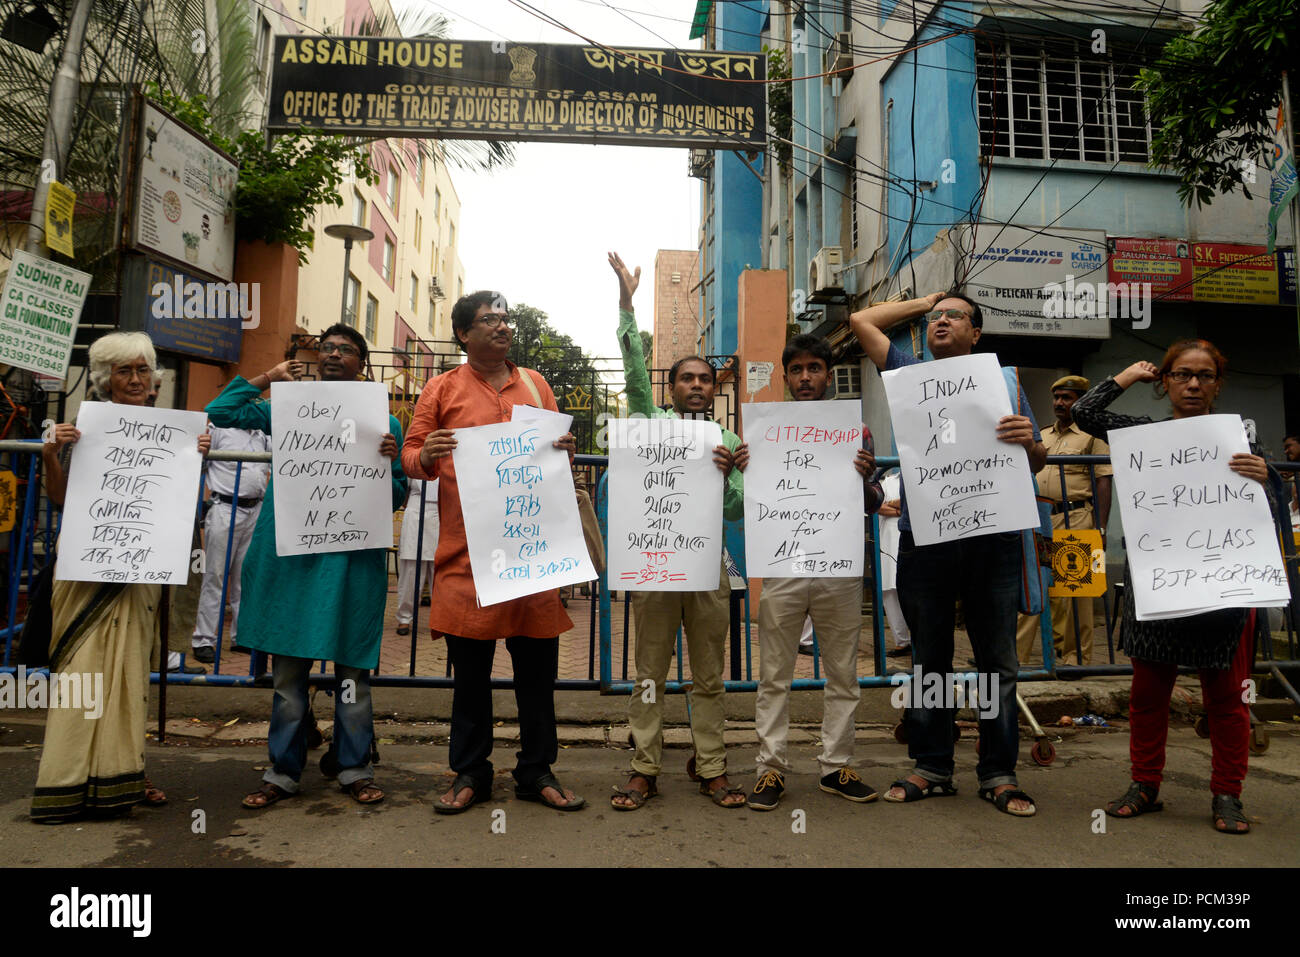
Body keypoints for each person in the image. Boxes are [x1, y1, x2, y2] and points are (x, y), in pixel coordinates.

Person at [849, 291, 1046, 817]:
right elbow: (861, 320)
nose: (940, 321)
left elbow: (1035, 463)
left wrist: (1030, 441)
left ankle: (998, 771)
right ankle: (933, 765)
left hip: (995, 538)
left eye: (954, 316)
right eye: (935, 318)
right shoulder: (909, 372)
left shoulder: (1005, 382)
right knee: (928, 658)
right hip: (927, 536)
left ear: (977, 333)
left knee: (995, 662)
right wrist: (929, 299)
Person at [1072, 340, 1280, 835]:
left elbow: (1267, 516)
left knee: (1227, 699)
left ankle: (1228, 794)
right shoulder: (1143, 436)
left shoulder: (1240, 442)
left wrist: (1267, 478)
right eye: (1181, 374)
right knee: (1147, 694)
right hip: (1160, 583)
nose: (1193, 384)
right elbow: (1083, 411)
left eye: (1204, 376)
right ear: (1164, 382)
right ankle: (1145, 784)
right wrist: (1127, 375)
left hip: (1222, 590)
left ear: (1217, 384)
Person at [401, 291, 586, 814]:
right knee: (471, 678)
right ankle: (470, 773)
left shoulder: (535, 384)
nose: (502, 327)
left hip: (531, 554)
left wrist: (564, 448)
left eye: (504, 319)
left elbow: (556, 447)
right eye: (489, 320)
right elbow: (411, 457)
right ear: (464, 334)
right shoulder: (440, 389)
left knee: (536, 676)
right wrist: (427, 455)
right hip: (466, 558)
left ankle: (537, 772)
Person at [209, 324, 407, 808]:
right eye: (327, 348)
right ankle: (281, 772)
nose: (333, 354)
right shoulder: (291, 408)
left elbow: (398, 495)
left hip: (352, 563)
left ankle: (354, 766)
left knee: (352, 676)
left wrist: (389, 461)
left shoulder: (385, 421)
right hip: (293, 560)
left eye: (346, 349)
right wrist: (269, 375)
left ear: (363, 361)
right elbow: (222, 411)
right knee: (289, 676)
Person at [31, 332, 210, 822]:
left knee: (129, 675)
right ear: (104, 378)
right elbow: (63, 501)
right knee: (82, 671)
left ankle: (123, 775)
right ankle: (65, 782)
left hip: (140, 571)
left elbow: (175, 503)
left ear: (154, 378)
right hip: (86, 569)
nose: (134, 380)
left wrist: (198, 454)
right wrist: (51, 454)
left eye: (141, 370)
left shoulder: (175, 434)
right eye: (123, 371)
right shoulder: (83, 431)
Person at [606, 252, 747, 810]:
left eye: (704, 379)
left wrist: (731, 477)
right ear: (670, 389)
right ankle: (644, 766)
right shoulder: (650, 424)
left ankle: (712, 765)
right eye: (685, 378)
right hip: (656, 567)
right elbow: (633, 374)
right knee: (648, 673)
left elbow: (734, 513)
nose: (695, 385)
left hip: (708, 566)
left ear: (713, 390)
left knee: (709, 675)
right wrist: (627, 303)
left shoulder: (727, 440)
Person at [742, 334, 884, 811]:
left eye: (814, 369)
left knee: (843, 672)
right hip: (782, 565)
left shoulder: (856, 431)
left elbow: (876, 501)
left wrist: (865, 480)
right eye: (797, 369)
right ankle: (770, 769)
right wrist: (742, 468)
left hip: (837, 567)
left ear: (828, 374)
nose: (805, 378)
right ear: (786, 376)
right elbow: (748, 498)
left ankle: (836, 765)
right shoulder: (763, 431)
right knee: (774, 674)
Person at [1014, 376, 1113, 666]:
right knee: (1031, 587)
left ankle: (1075, 660)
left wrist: (1101, 528)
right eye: (1056, 397)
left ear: (1082, 400)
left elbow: (1104, 481)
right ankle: (1015, 657)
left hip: (1079, 517)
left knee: (1077, 596)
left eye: (1067, 397)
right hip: (1041, 519)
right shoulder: (1043, 434)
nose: (1059, 402)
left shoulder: (1093, 436)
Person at [191, 426, 271, 663]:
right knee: (215, 575)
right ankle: (204, 639)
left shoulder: (263, 434)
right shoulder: (218, 430)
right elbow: (200, 463)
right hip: (225, 507)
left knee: (245, 576)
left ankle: (241, 636)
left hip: (255, 509)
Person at [396, 478, 438, 636]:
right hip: (416, 504)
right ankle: (404, 617)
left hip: (443, 507)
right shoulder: (411, 452)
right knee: (411, 571)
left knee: (439, 571)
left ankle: (439, 619)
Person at [877, 470, 912, 659]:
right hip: (888, 541)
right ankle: (902, 642)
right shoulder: (887, 481)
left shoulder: (915, 474)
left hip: (911, 541)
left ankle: (916, 641)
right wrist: (901, 508)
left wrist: (894, 505)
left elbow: (916, 505)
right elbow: (877, 507)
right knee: (890, 592)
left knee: (912, 591)